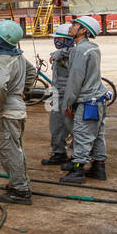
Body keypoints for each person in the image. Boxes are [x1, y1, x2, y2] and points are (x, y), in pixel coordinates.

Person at [0, 19, 32, 206]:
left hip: (7, 112)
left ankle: (20, 190)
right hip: (17, 109)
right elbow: (32, 72)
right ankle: (18, 182)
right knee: (16, 149)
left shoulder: (0, 59)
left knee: (9, 151)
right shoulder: (17, 56)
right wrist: (24, 91)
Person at [60, 15, 107, 184]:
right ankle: (98, 167)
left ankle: (78, 170)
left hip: (87, 101)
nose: (70, 27)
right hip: (98, 99)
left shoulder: (79, 51)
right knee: (98, 134)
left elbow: (75, 80)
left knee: (82, 135)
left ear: (83, 30)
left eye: (75, 25)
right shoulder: (92, 48)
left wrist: (68, 103)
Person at [40, 23, 75, 166]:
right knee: (55, 125)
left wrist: (71, 101)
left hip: (67, 96)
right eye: (56, 39)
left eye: (59, 38)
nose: (56, 41)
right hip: (56, 94)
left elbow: (72, 53)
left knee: (73, 127)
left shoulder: (74, 54)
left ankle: (77, 160)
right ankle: (58, 153)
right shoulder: (58, 55)